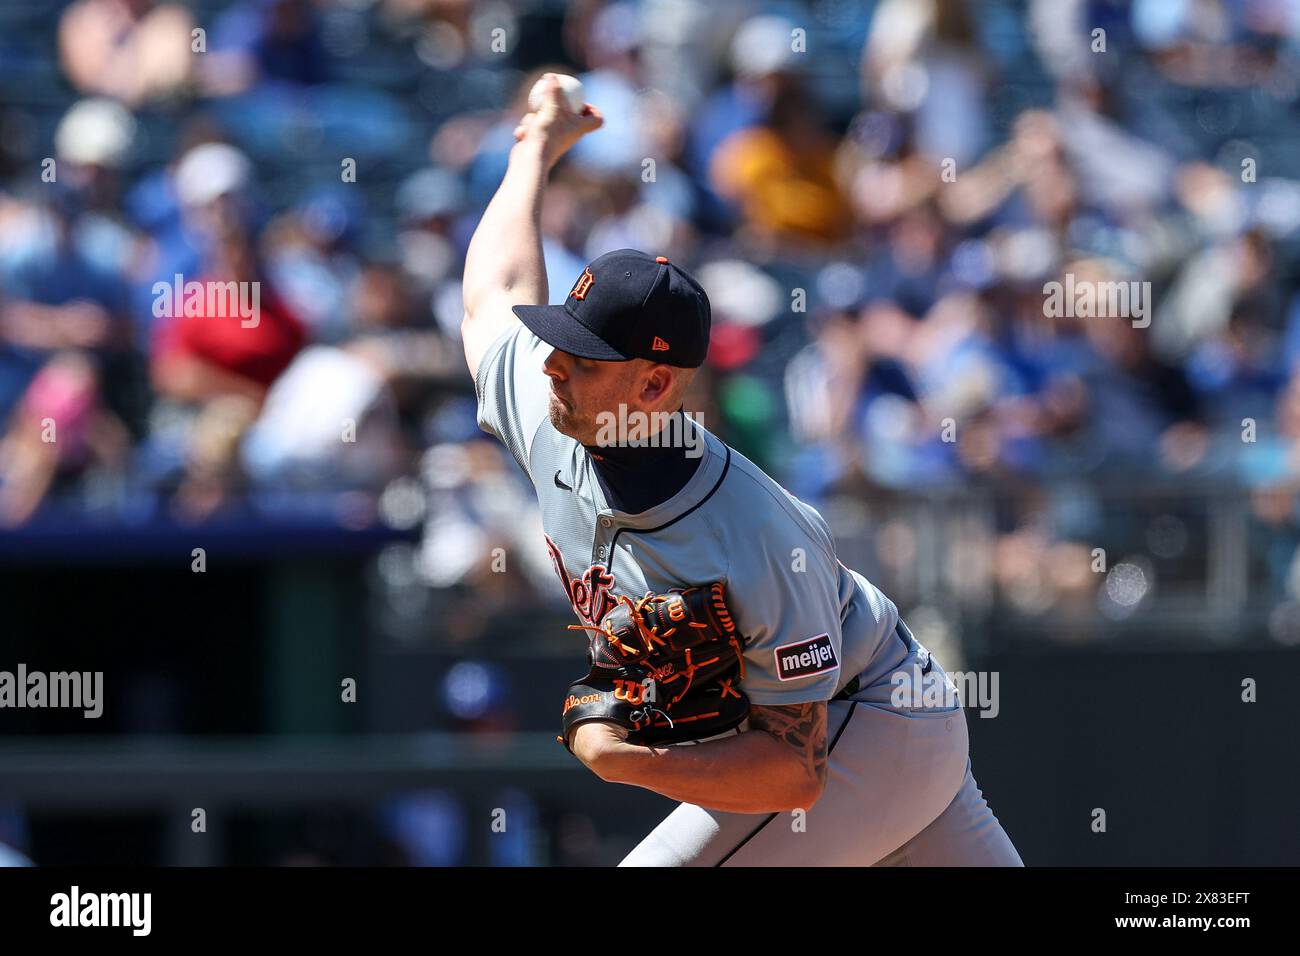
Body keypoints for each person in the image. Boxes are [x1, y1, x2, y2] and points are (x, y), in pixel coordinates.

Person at [459, 75, 1023, 866]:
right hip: (868, 726)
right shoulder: (554, 408)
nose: (552, 364)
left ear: (655, 385)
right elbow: (494, 294)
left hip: (866, 721)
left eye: (583, 356)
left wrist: (626, 761)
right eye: (558, 342)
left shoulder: (759, 532)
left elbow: (794, 771)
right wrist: (536, 149)